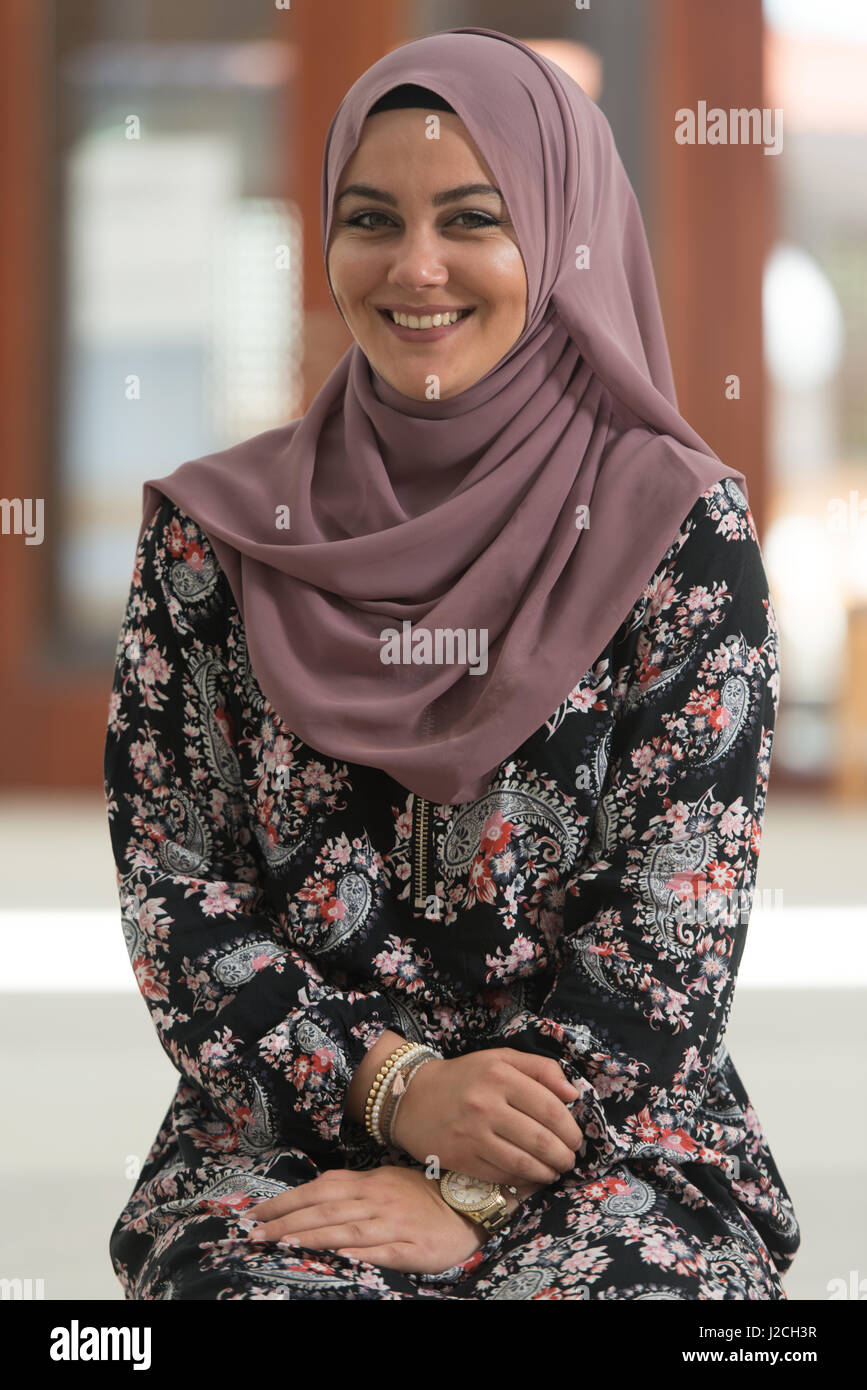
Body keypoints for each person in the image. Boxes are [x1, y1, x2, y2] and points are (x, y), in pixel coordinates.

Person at [104, 27, 801, 1300]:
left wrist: (467, 1188)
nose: (415, 267)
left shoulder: (675, 527)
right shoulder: (216, 535)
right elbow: (177, 890)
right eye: (370, 219)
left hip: (607, 1141)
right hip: (290, 1130)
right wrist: (396, 1093)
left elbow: (673, 924)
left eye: (474, 219)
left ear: (562, 238)